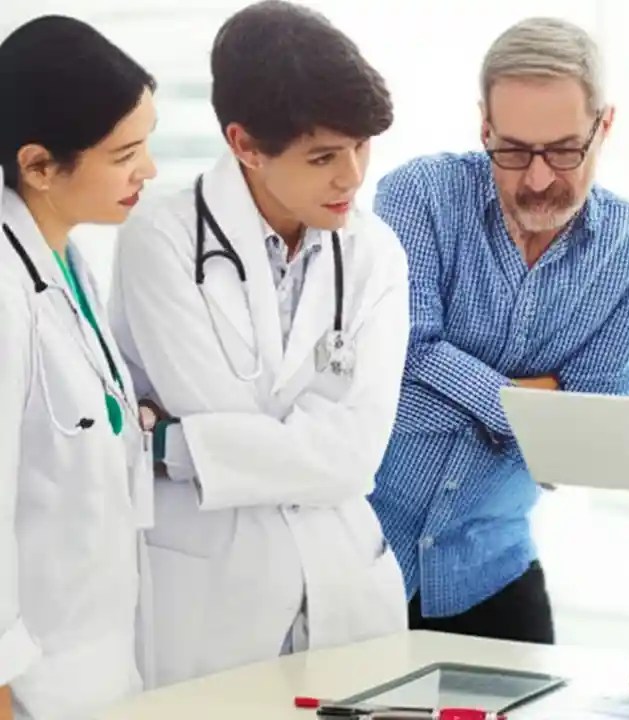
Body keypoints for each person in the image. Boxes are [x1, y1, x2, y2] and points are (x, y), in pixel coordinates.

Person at [108, 0, 408, 686]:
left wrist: (180, 446)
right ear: (244, 144)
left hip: (344, 586)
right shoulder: (163, 240)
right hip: (214, 595)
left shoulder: (376, 252)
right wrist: (298, 444)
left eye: (361, 147)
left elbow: (357, 455)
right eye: (323, 157)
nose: (352, 177)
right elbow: (216, 404)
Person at [371, 17, 629, 644]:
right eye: (512, 150)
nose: (537, 179)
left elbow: (589, 434)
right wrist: (537, 404)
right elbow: (395, 367)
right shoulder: (417, 198)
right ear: (484, 127)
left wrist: (457, 382)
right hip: (362, 564)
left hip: (494, 575)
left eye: (563, 151)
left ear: (604, 126)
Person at [0, 15, 158, 718]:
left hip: (99, 673)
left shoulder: (65, 259)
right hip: (30, 690)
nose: (148, 170)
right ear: (38, 165)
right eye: (125, 154)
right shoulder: (5, 291)